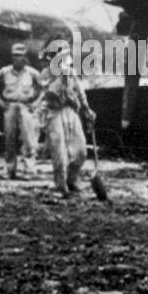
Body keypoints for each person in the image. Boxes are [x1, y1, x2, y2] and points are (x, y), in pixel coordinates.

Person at [41, 42, 94, 200]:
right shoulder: (46, 73)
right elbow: (51, 93)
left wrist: (87, 109)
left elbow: (79, 91)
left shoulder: (71, 72)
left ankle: (72, 179)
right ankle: (60, 185)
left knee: (80, 150)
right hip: (55, 113)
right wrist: (61, 77)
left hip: (71, 112)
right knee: (59, 153)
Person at [0, 43, 43, 178]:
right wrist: (0, 101)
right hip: (10, 106)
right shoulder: (4, 72)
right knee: (9, 138)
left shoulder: (32, 73)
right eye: (15, 55)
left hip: (25, 107)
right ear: (11, 57)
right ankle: (10, 170)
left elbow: (43, 88)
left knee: (28, 139)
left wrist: (36, 103)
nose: (17, 59)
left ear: (25, 57)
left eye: (20, 56)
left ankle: (29, 169)